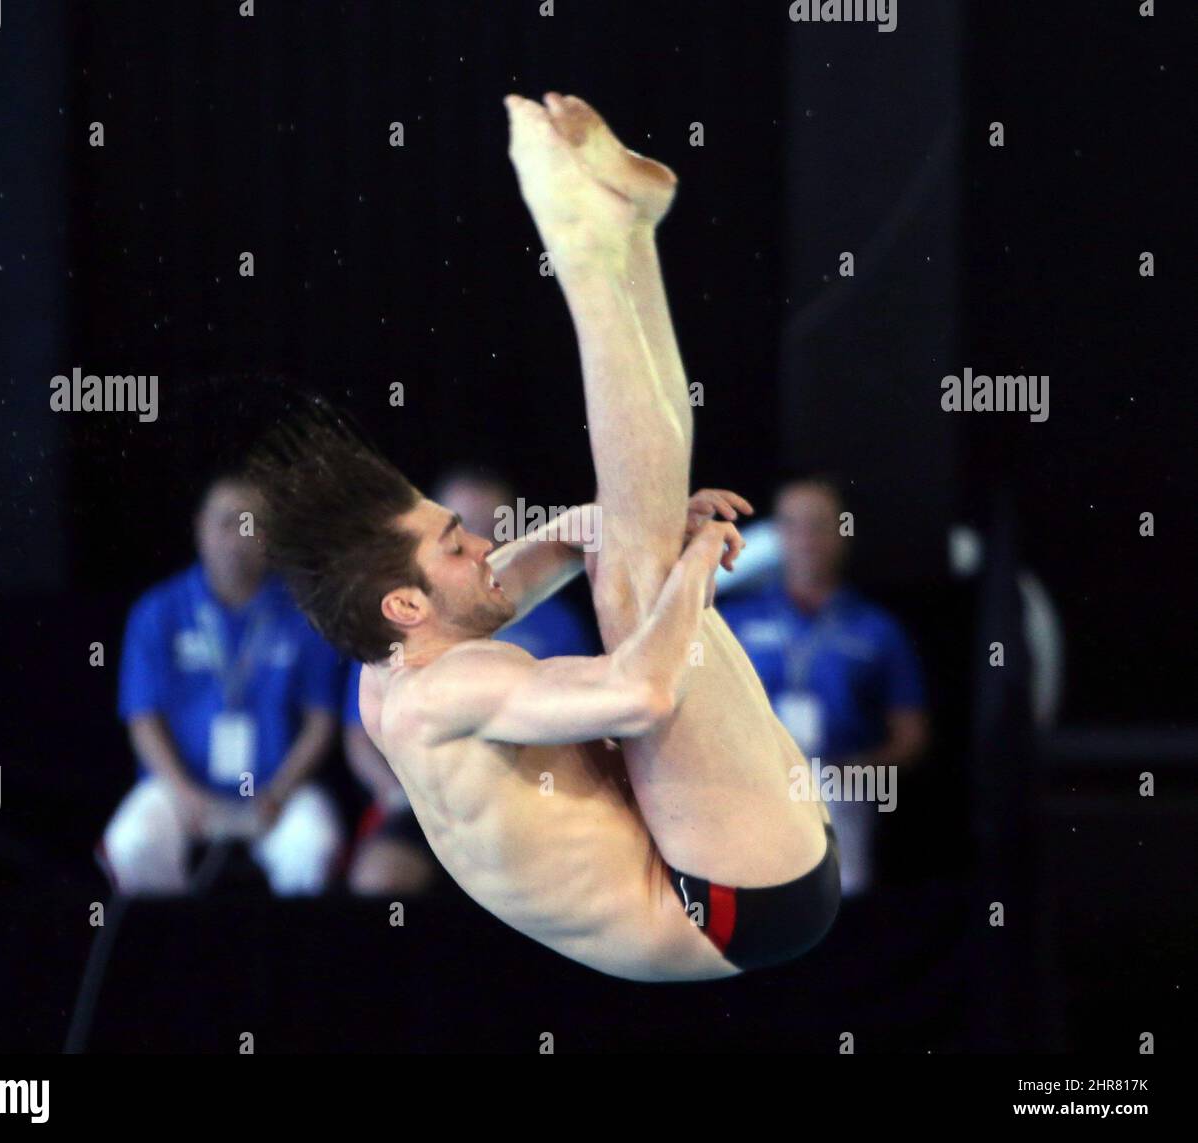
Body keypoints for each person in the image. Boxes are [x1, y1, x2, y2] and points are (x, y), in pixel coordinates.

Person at [248, 93, 838, 982]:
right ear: (406, 600)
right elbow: (642, 695)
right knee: (635, 588)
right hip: (725, 901)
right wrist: (690, 562)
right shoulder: (451, 687)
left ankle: (629, 237)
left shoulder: (394, 656)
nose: (486, 547)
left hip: (716, 848)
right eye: (455, 543)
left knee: (627, 548)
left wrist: (652, 523)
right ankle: (590, 256)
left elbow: (573, 538)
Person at [343, 468, 598, 895]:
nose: (481, 542)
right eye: (461, 531)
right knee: (380, 877)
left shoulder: (560, 621)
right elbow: (359, 736)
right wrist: (405, 793)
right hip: (428, 804)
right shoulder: (398, 622)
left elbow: (602, 716)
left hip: (531, 807)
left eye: (494, 526)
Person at [101, 472, 346, 896]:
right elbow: (143, 719)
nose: (237, 537)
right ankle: (170, 953)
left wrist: (279, 792)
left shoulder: (304, 614)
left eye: (251, 524)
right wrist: (185, 794)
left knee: (313, 844)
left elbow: (320, 720)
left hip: (277, 788)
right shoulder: (158, 611)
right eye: (226, 522)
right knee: (133, 842)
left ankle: (293, 959)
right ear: (200, 527)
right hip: (183, 786)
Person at [720, 478, 930, 896]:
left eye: (819, 525)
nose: (805, 539)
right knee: (758, 909)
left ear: (843, 533)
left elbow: (912, 737)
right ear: (775, 534)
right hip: (752, 787)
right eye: (791, 525)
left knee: (838, 913)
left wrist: (860, 771)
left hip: (840, 791)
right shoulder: (732, 622)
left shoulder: (877, 629)